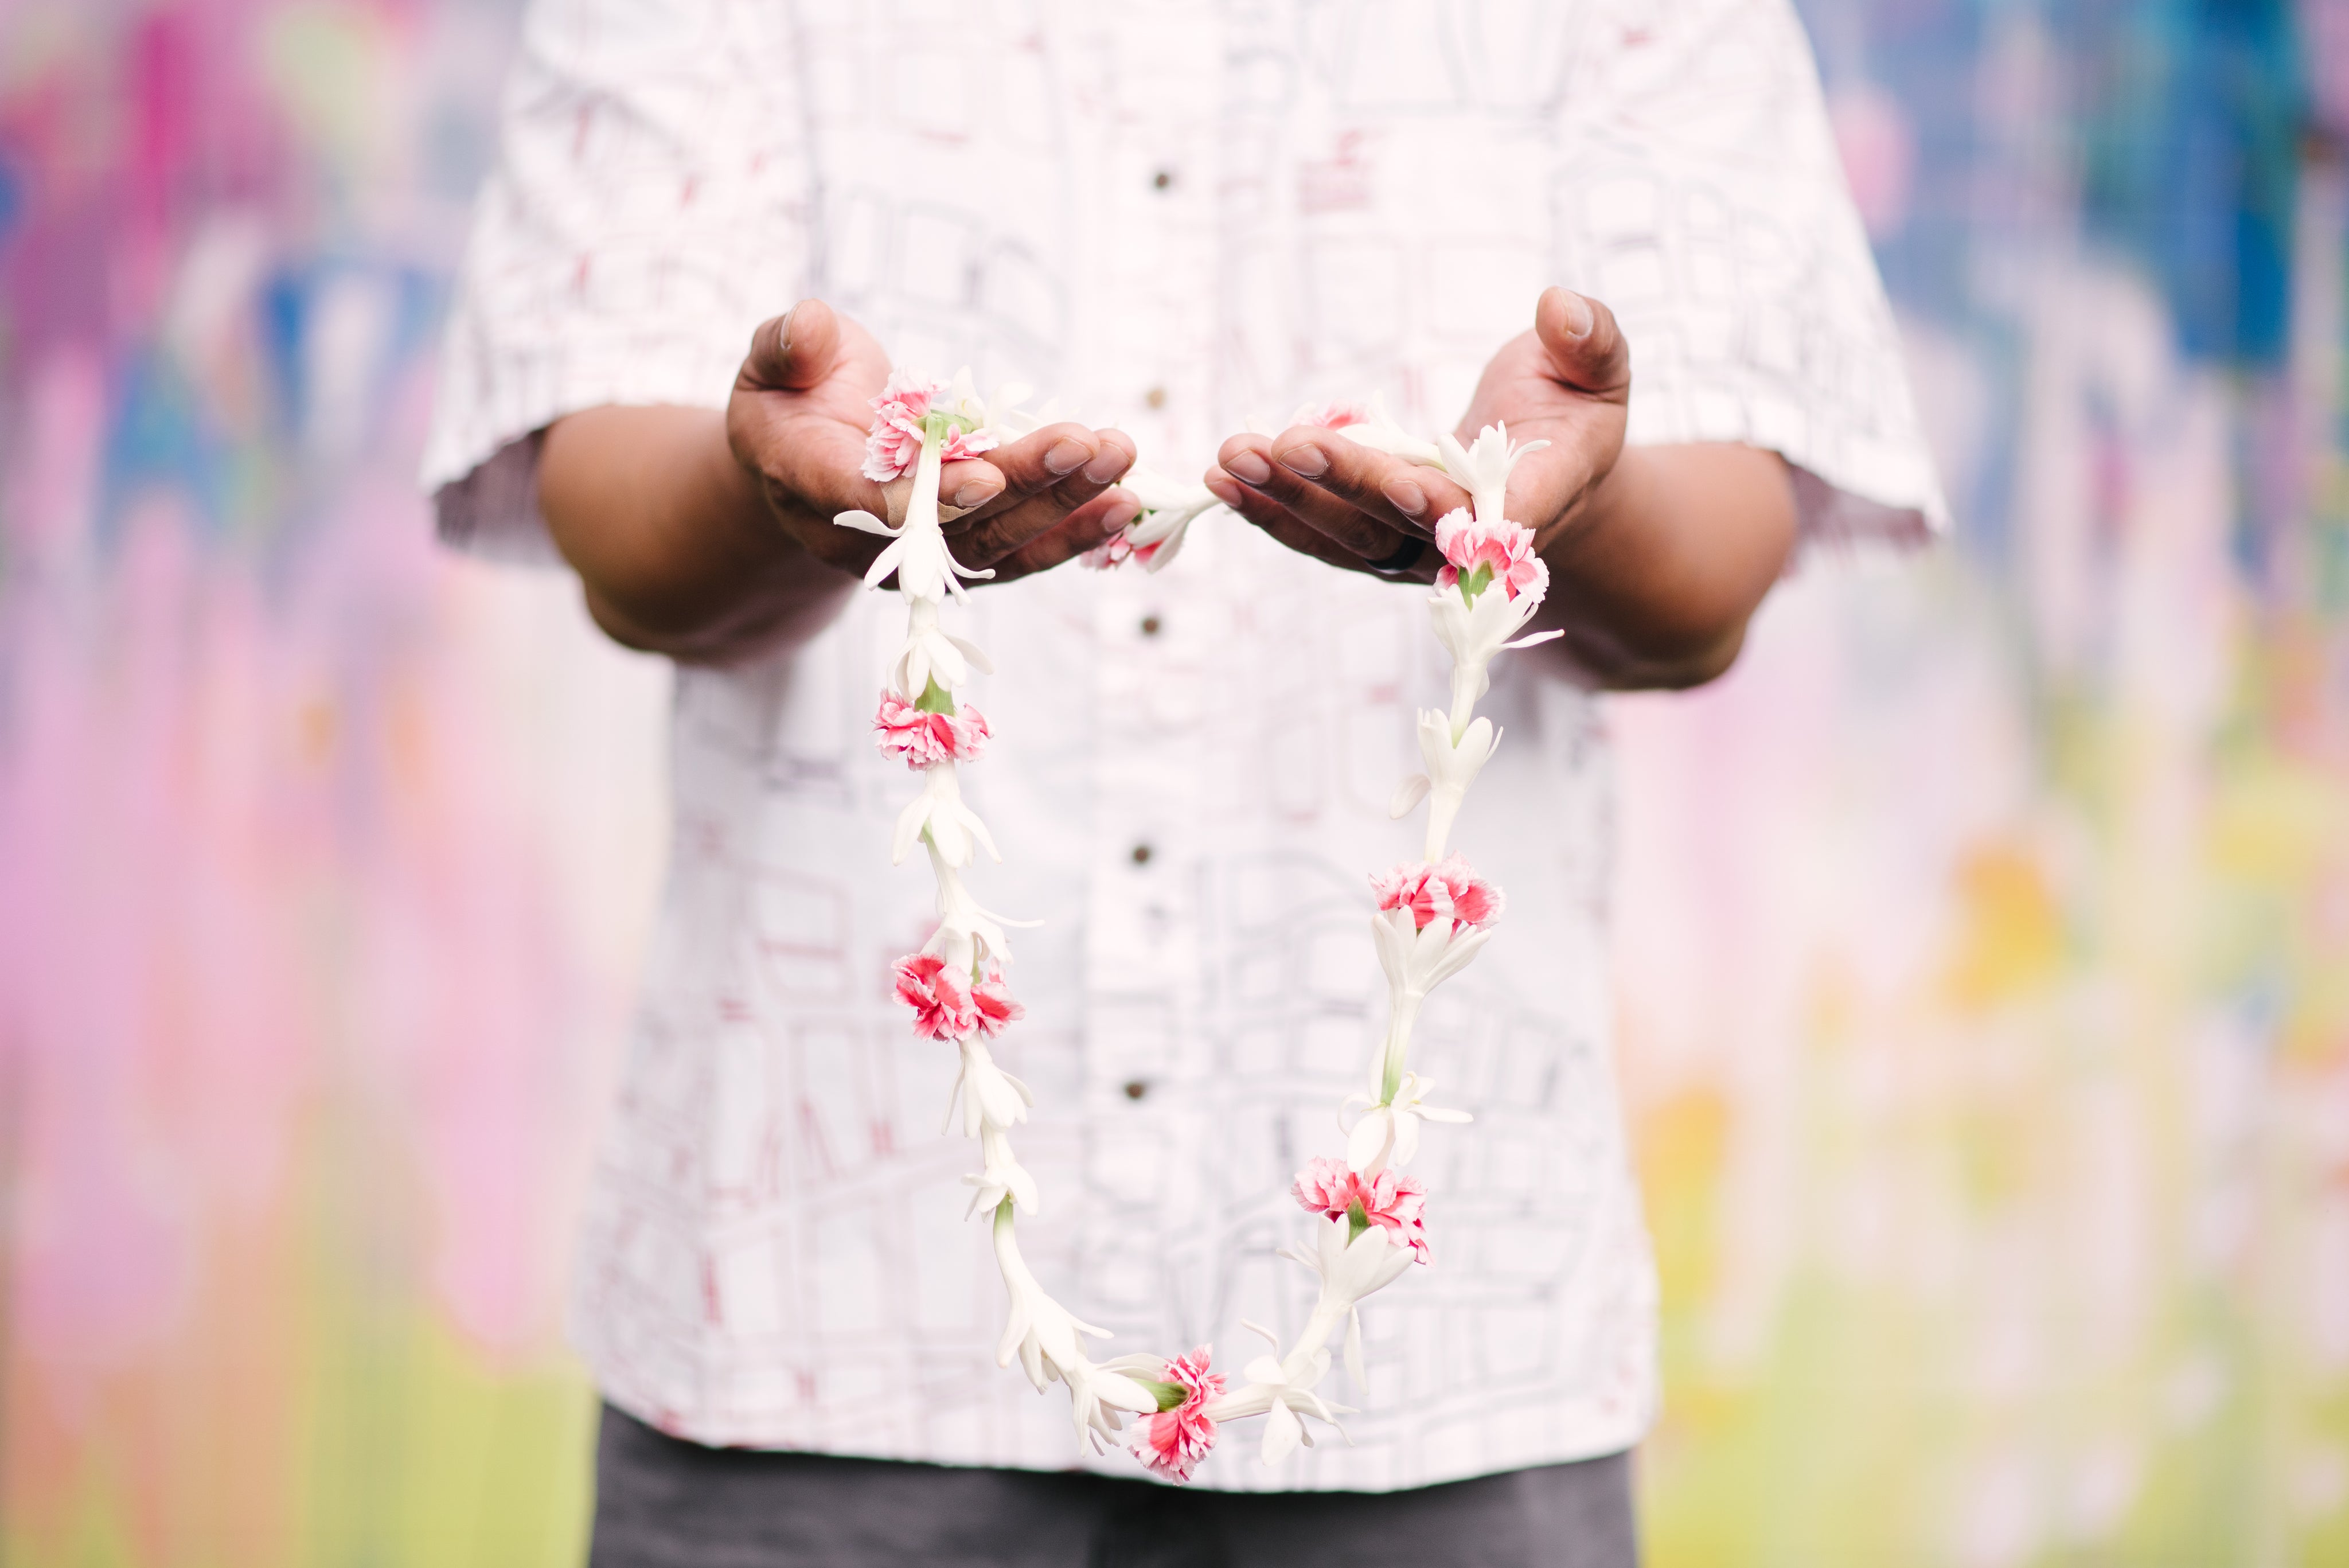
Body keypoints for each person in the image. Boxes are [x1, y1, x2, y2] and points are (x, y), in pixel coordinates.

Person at [423, 3, 1943, 1563]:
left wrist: (1547, 500)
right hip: (813, 1335)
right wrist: (781, 489)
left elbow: (1707, 583)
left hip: (1444, 1377)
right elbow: (620, 530)